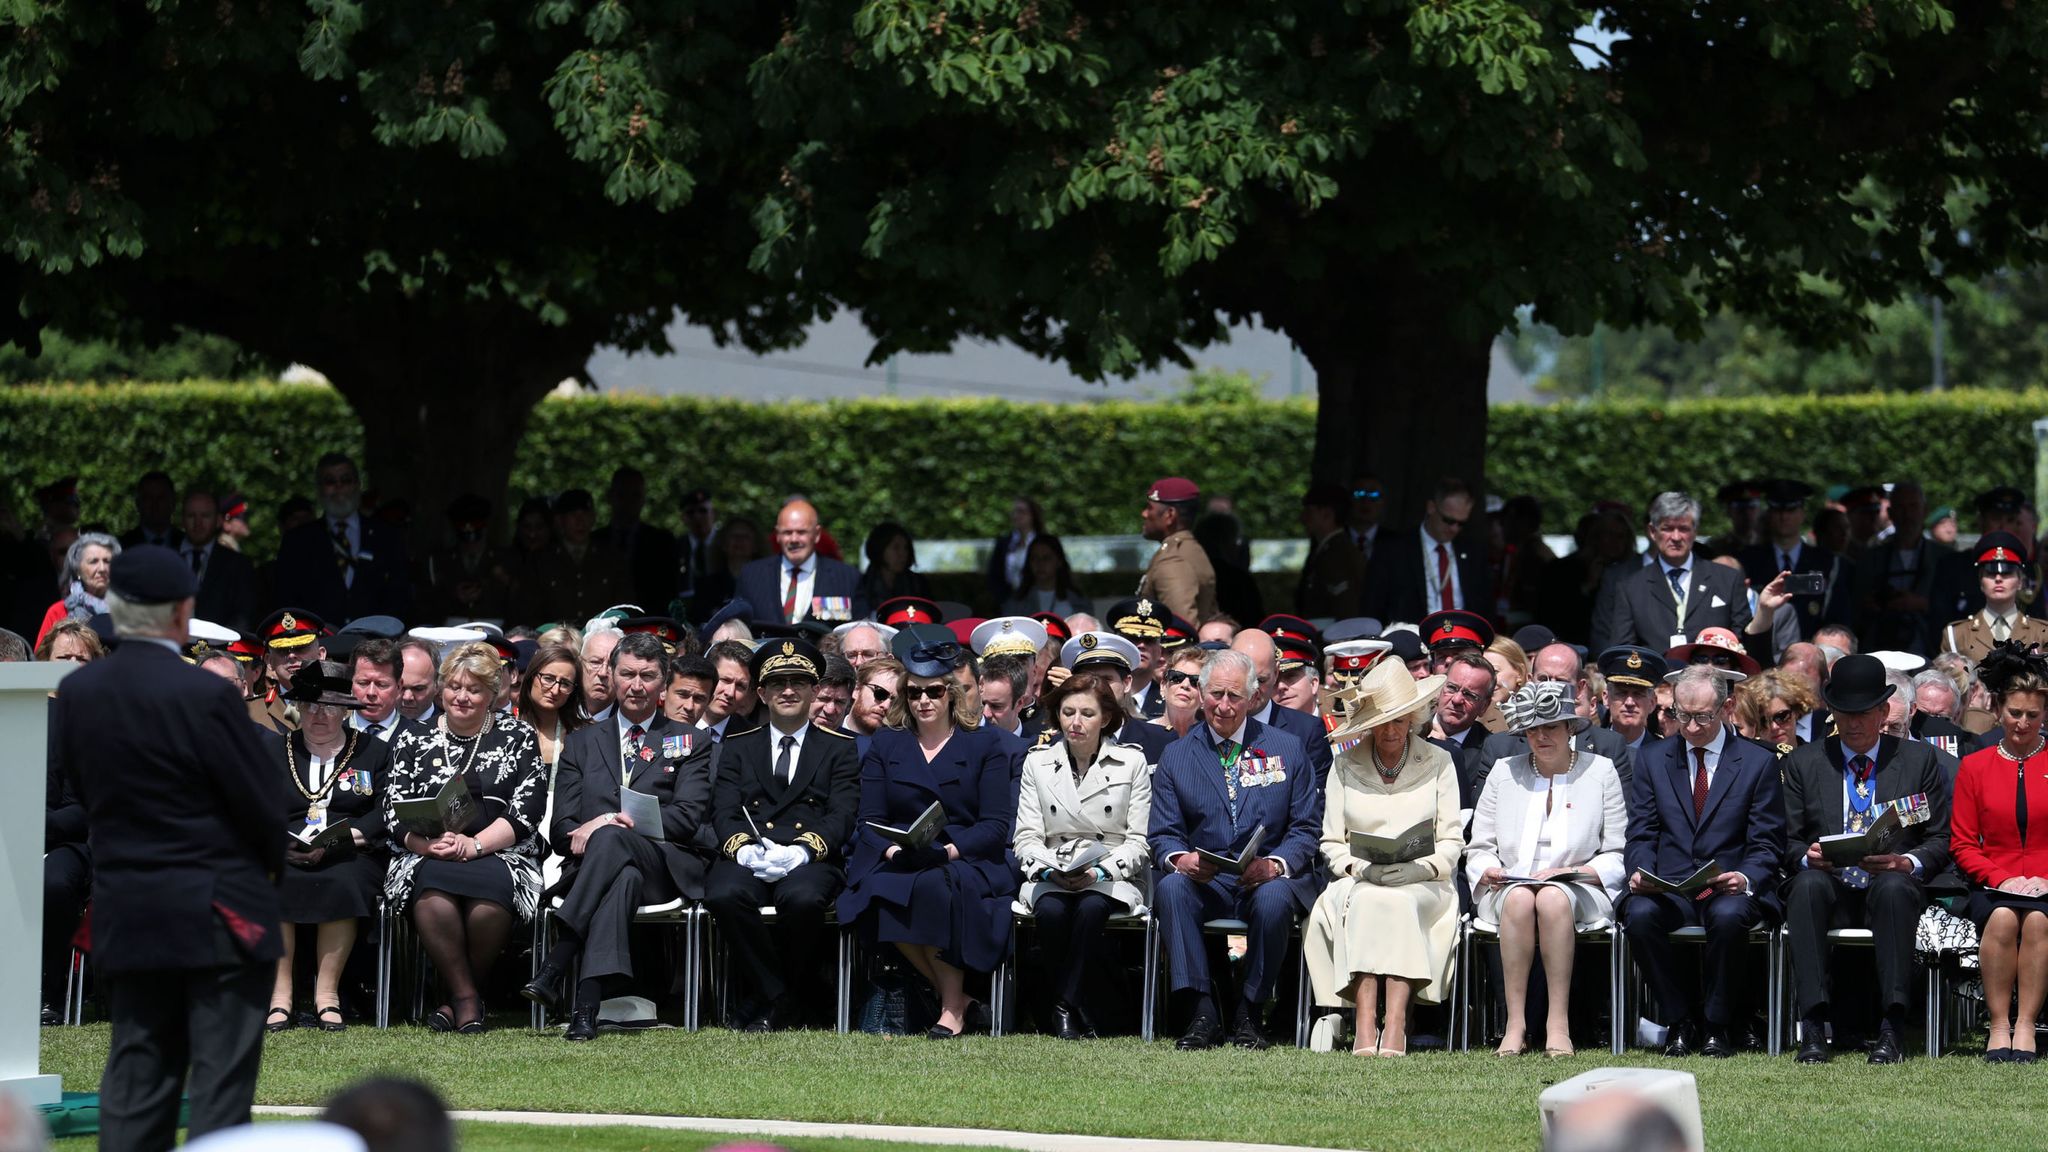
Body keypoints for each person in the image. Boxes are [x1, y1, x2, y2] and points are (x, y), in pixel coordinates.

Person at [52, 545, 282, 1150]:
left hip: (127, 908)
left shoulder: (77, 694)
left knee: (134, 1081)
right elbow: (260, 804)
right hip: (216, 910)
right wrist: (268, 873)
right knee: (219, 1092)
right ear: (182, 611)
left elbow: (83, 784)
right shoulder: (204, 695)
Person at [523, 632, 712, 1039]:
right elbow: (562, 830)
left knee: (611, 839)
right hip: (605, 870)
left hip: (661, 867)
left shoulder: (691, 740)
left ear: (663, 683)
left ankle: (556, 963)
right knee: (619, 875)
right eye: (627, 674)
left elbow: (686, 818)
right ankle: (585, 1011)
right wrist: (597, 827)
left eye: (647, 676)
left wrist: (608, 820)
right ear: (610, 676)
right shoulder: (583, 740)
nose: (636, 685)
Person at [838, 631, 1019, 1038]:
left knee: (936, 888)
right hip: (900, 855)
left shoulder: (984, 743)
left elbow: (994, 825)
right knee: (880, 893)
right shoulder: (888, 743)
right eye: (915, 692)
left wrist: (950, 852)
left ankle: (951, 1009)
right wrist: (890, 852)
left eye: (934, 692)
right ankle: (956, 999)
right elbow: (869, 818)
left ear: (951, 694)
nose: (924, 701)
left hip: (965, 857)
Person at [1779, 652, 1952, 1064]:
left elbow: (1939, 837)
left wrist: (1906, 862)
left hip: (1888, 886)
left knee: (1894, 886)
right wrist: (1808, 856)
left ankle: (1891, 1025)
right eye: (1844, 713)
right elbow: (1784, 839)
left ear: (1883, 711)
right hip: (1830, 885)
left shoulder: (1917, 760)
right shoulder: (1805, 762)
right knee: (1806, 885)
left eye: (1863, 713)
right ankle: (1815, 1027)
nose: (1853, 723)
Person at [1150, 648, 1320, 1050]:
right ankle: (1203, 1011)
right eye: (1216, 695)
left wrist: (1276, 865)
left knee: (1276, 900)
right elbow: (1163, 834)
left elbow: (1306, 828)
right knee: (1170, 889)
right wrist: (1181, 859)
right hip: (1206, 880)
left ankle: (1249, 1010)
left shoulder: (1287, 748)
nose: (1223, 706)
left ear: (1253, 697)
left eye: (1234, 697)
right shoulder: (1177, 756)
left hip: (1263, 879)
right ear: (1202, 693)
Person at [381, 642, 547, 1033]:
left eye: (474, 689)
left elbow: (527, 809)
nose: (462, 696)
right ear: (441, 689)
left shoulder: (518, 736)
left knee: (488, 906)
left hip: (499, 853)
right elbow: (390, 807)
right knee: (433, 898)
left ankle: (454, 997)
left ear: (493, 694)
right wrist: (426, 845)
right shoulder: (413, 738)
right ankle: (468, 998)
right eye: (454, 686)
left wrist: (473, 846)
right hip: (429, 853)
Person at [1622, 666, 1785, 1058]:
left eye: (1703, 717)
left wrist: (1745, 876)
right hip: (1671, 884)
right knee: (1640, 915)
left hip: (1728, 883)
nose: (1691, 727)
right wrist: (1640, 871)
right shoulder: (1653, 758)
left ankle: (1717, 1024)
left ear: (1727, 708)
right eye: (1682, 714)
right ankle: (1681, 1020)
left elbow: (1767, 841)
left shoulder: (1757, 761)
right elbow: (1642, 831)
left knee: (1728, 917)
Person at [704, 638, 860, 1031]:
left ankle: (767, 997)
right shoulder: (739, 747)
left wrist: (802, 852)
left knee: (804, 899)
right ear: (761, 693)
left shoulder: (840, 748)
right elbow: (724, 809)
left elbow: (842, 813)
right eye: (777, 683)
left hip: (810, 858)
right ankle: (784, 996)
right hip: (751, 852)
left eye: (797, 682)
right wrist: (742, 850)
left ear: (813, 690)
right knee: (723, 893)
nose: (788, 690)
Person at [1305, 658, 1459, 1056]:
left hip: (1425, 886)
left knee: (1397, 900)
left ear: (1414, 718)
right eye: (1382, 721)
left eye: (1400, 720)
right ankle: (1366, 1022)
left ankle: (1394, 1023)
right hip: (1358, 881)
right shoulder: (1343, 765)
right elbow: (1332, 843)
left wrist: (1417, 868)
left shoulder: (1439, 762)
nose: (1390, 730)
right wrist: (1361, 867)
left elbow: (1452, 841)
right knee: (1373, 899)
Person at [1467, 683, 1627, 1057]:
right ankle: (1515, 1024)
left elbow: (1617, 850)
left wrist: (1574, 872)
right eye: (1533, 729)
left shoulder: (1601, 771)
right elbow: (1479, 846)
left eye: (1551, 727)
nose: (1541, 736)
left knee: (1553, 899)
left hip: (1580, 887)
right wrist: (1489, 870)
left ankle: (1559, 1023)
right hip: (1510, 888)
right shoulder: (1504, 772)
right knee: (1523, 899)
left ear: (1570, 727)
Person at [1012, 672, 1153, 1039]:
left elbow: (1138, 841)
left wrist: (1099, 873)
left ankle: (1062, 1006)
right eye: (1067, 712)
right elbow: (1026, 836)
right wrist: (1048, 871)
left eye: (1086, 714)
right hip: (1053, 869)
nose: (1075, 722)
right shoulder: (1037, 763)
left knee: (1091, 908)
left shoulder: (1131, 762)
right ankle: (1082, 1009)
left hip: (1111, 873)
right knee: (1052, 911)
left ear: (1105, 718)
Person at [267, 662, 391, 1034]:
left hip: (351, 850)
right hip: (284, 850)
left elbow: (385, 811)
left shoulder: (373, 752)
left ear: (346, 711)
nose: (319, 715)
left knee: (343, 880)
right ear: (299, 709)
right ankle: (280, 996)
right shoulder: (274, 750)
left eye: (330, 708)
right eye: (311, 706)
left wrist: (341, 840)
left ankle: (327, 996)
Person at [1951, 644, 2048, 1062]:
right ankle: (1998, 1024)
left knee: (2039, 919)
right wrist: (2001, 878)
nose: (2023, 723)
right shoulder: (1975, 766)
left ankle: (2026, 1023)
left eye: (2033, 715)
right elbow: (1962, 842)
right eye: (2015, 713)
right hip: (1994, 883)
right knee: (2005, 916)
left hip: (2046, 886)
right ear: (1997, 710)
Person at [1590, 492, 1754, 652]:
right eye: (1667, 528)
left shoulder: (1727, 579)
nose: (1676, 537)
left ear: (1695, 531)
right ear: (1653, 532)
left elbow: (1744, 642)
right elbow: (1622, 650)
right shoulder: (1631, 587)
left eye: (1683, 529)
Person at [39, 618, 102, 1025]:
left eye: (84, 659)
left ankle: (50, 990)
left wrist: (39, 826)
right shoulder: (19, 712)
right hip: (16, 830)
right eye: (64, 657)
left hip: (73, 839)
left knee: (53, 883)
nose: (73, 665)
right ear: (43, 661)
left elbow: (91, 804)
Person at [272, 453, 413, 622]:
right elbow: (287, 598)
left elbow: (401, 592)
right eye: (330, 481)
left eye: (346, 480)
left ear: (358, 485)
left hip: (378, 641)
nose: (338, 487)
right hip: (319, 641)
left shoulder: (386, 535)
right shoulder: (297, 541)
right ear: (319, 489)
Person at [1363, 477, 1491, 625]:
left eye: (1461, 523)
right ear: (1431, 507)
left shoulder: (1473, 552)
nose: (1454, 528)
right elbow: (1372, 607)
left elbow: (1485, 608)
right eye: (1448, 520)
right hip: (1411, 641)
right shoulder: (1393, 550)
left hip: (1464, 641)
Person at [735, 500, 866, 625]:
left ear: (817, 534)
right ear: (778, 536)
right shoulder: (751, 576)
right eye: (787, 532)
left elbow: (858, 631)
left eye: (801, 532)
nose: (794, 539)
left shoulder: (846, 578)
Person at [1940, 531, 2048, 661]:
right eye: (1991, 573)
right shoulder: (1956, 635)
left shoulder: (2043, 634)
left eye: (2007, 573)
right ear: (1980, 581)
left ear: (2020, 582)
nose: (1998, 578)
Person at [593, 466, 679, 612]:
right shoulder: (595, 541)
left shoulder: (662, 542)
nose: (628, 502)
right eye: (622, 494)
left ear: (643, 499)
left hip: (650, 624)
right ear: (610, 497)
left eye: (635, 495)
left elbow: (670, 592)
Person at [1136, 477, 1218, 626]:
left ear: (1170, 515)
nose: (1144, 514)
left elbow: (1181, 631)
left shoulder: (1173, 560)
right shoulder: (1188, 549)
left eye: (1149, 508)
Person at [180, 490, 256, 632]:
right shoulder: (165, 559)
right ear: (182, 519)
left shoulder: (238, 565)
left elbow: (243, 618)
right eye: (191, 516)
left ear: (218, 520)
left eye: (205, 516)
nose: (198, 523)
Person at [35, 531, 118, 647]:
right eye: (93, 561)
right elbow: (42, 660)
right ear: (77, 569)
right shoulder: (58, 611)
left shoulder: (129, 609)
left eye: (107, 561)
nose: (102, 568)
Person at [1296, 484, 1366, 618]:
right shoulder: (1331, 550)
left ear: (1327, 514)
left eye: (1309, 511)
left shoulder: (1337, 554)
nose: (1303, 518)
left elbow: (1346, 605)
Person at [517, 643, 586, 776]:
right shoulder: (504, 729)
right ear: (531, 677)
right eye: (548, 679)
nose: (555, 691)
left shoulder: (585, 735)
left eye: (565, 684)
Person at [1002, 534, 1087, 620]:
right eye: (1035, 558)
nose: (1040, 563)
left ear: (1059, 561)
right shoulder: (1015, 603)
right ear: (1029, 563)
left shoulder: (1078, 602)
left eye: (1046, 558)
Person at [1731, 668, 1819, 751]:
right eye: (1763, 721)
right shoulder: (1754, 765)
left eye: (1782, 717)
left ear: (1795, 712)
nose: (1774, 727)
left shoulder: (1815, 756)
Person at [984, 496, 1043, 607]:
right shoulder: (1004, 543)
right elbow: (994, 574)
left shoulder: (1043, 541)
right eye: (1014, 512)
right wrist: (1002, 599)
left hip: (1039, 600)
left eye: (1021, 511)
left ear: (1033, 515)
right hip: (1009, 602)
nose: (1016, 516)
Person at [857, 521, 931, 608]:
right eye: (896, 548)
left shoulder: (918, 584)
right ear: (880, 549)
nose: (902, 554)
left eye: (906, 548)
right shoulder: (862, 585)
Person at [1152, 644, 1208, 740]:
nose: (1185, 685)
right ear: (1163, 686)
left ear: (1203, 695)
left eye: (1195, 681)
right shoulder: (1140, 732)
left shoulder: (1210, 739)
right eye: (1177, 677)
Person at [120, 470, 183, 550]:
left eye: (161, 498)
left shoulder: (189, 545)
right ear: (138, 504)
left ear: (173, 502)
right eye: (148, 498)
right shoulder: (122, 547)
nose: (155, 504)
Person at [848, 655, 904, 741]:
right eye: (880, 694)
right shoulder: (827, 727)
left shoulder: (896, 749)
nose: (886, 705)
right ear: (857, 690)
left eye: (894, 701)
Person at [665, 654, 717, 728]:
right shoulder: (644, 736)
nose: (689, 707)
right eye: (683, 695)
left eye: (699, 699)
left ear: (709, 701)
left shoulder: (705, 739)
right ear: (664, 690)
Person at [811, 654, 856, 729]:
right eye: (823, 699)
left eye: (840, 702)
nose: (830, 710)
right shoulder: (786, 738)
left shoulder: (855, 741)